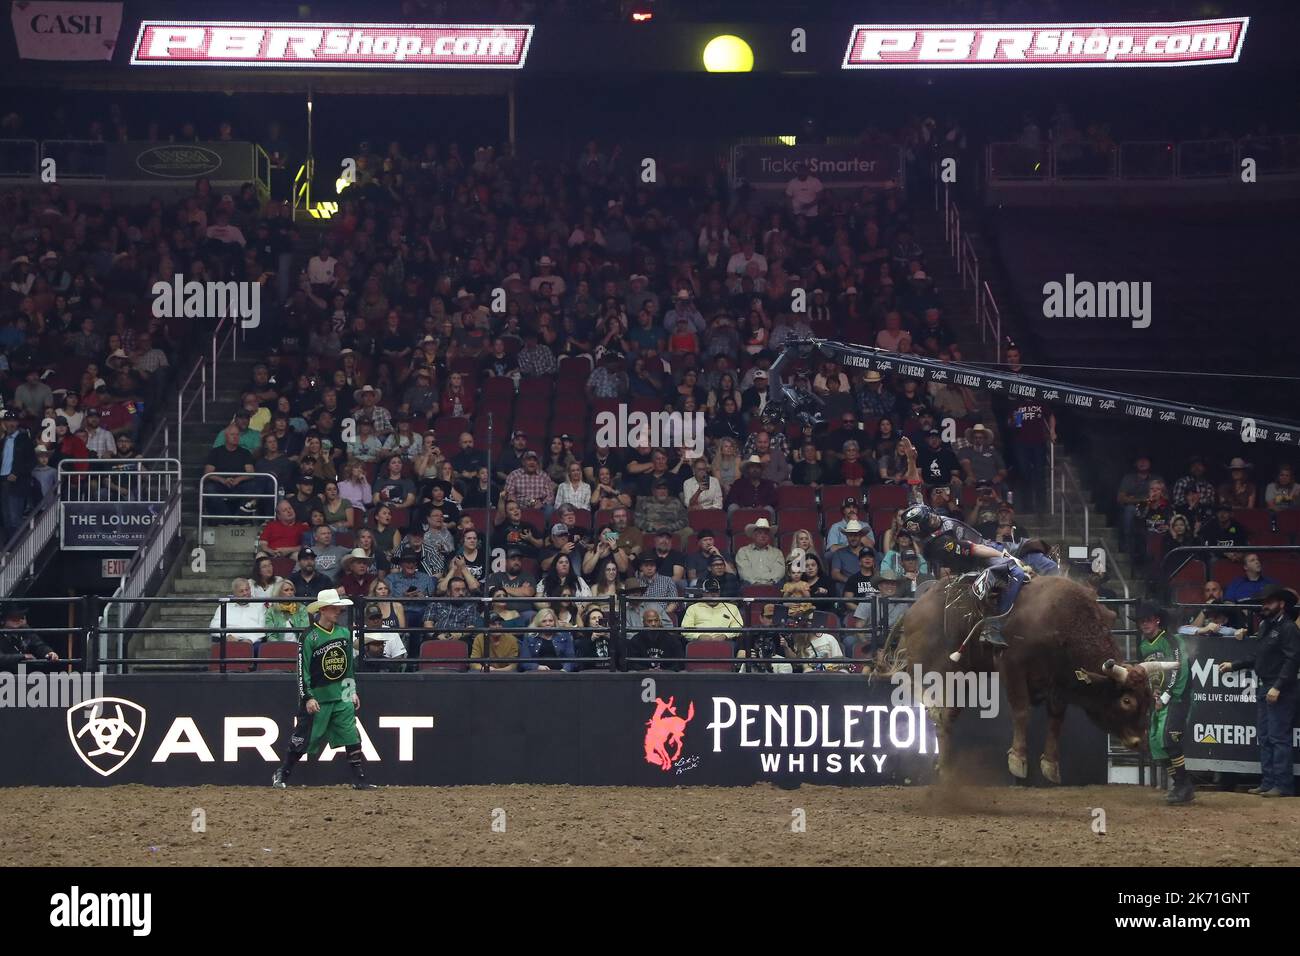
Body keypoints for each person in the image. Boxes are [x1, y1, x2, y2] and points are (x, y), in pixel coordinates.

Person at [898, 436, 1057, 648]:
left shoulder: (920, 514)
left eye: (932, 514)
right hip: (976, 559)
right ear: (925, 527)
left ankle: (1058, 601)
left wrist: (910, 459)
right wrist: (1006, 556)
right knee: (1016, 573)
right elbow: (975, 549)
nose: (936, 516)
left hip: (988, 544)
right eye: (932, 519)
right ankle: (995, 627)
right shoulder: (939, 544)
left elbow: (914, 484)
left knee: (1039, 554)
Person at [272, 589, 375, 790]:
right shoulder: (309, 636)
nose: (339, 611)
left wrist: (351, 691)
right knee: (304, 738)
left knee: (351, 735)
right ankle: (282, 772)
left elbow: (348, 667)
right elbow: (302, 671)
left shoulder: (344, 633)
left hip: (340, 695)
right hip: (318, 697)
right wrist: (307, 697)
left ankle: (359, 779)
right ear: (324, 610)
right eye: (335, 608)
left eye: (339, 608)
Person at [1218, 586, 1300, 798]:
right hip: (1266, 686)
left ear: (1281, 604)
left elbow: (1293, 659)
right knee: (1265, 736)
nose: (1264, 605)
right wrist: (1234, 665)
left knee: (1277, 737)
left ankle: (1282, 785)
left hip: (1280, 688)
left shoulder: (1288, 628)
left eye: (1269, 601)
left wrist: (1278, 686)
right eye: (1263, 601)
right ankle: (1269, 782)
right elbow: (1257, 656)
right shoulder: (1265, 626)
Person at [1135, 604, 1193, 804]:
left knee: (1168, 738)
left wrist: (1167, 695)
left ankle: (1183, 785)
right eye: (1141, 621)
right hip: (1159, 698)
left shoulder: (1171, 640)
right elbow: (1147, 674)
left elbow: (1179, 669)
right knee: (1158, 743)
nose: (1144, 624)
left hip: (1177, 697)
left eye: (1148, 620)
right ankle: (1180, 784)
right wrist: (1154, 694)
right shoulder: (1143, 645)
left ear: (1157, 620)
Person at [0, 605, 58, 671]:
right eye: (15, 618)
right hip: (4, 674)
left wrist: (48, 652)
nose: (20, 620)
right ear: (3, 620)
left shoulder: (25, 630)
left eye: (21, 617)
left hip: (23, 672)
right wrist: (23, 657)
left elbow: (39, 645)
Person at [209, 578, 266, 645]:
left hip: (252, 642)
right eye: (241, 591)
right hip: (229, 641)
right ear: (234, 593)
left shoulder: (259, 605)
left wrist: (250, 640)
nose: (245, 593)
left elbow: (262, 628)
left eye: (247, 590)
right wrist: (227, 636)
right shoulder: (225, 606)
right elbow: (214, 625)